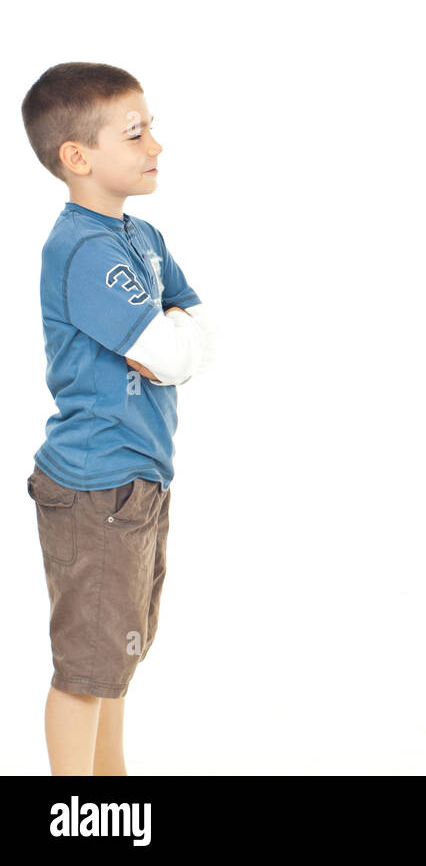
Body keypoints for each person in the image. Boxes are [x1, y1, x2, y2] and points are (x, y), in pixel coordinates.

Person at [21, 61, 217, 775]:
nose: (155, 147)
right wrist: (169, 340)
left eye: (151, 129)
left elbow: (197, 333)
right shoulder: (82, 250)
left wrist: (173, 340)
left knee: (116, 656)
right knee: (86, 669)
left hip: (136, 485)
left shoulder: (144, 239)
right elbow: (167, 352)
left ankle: (112, 791)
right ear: (77, 157)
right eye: (135, 134)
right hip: (96, 489)